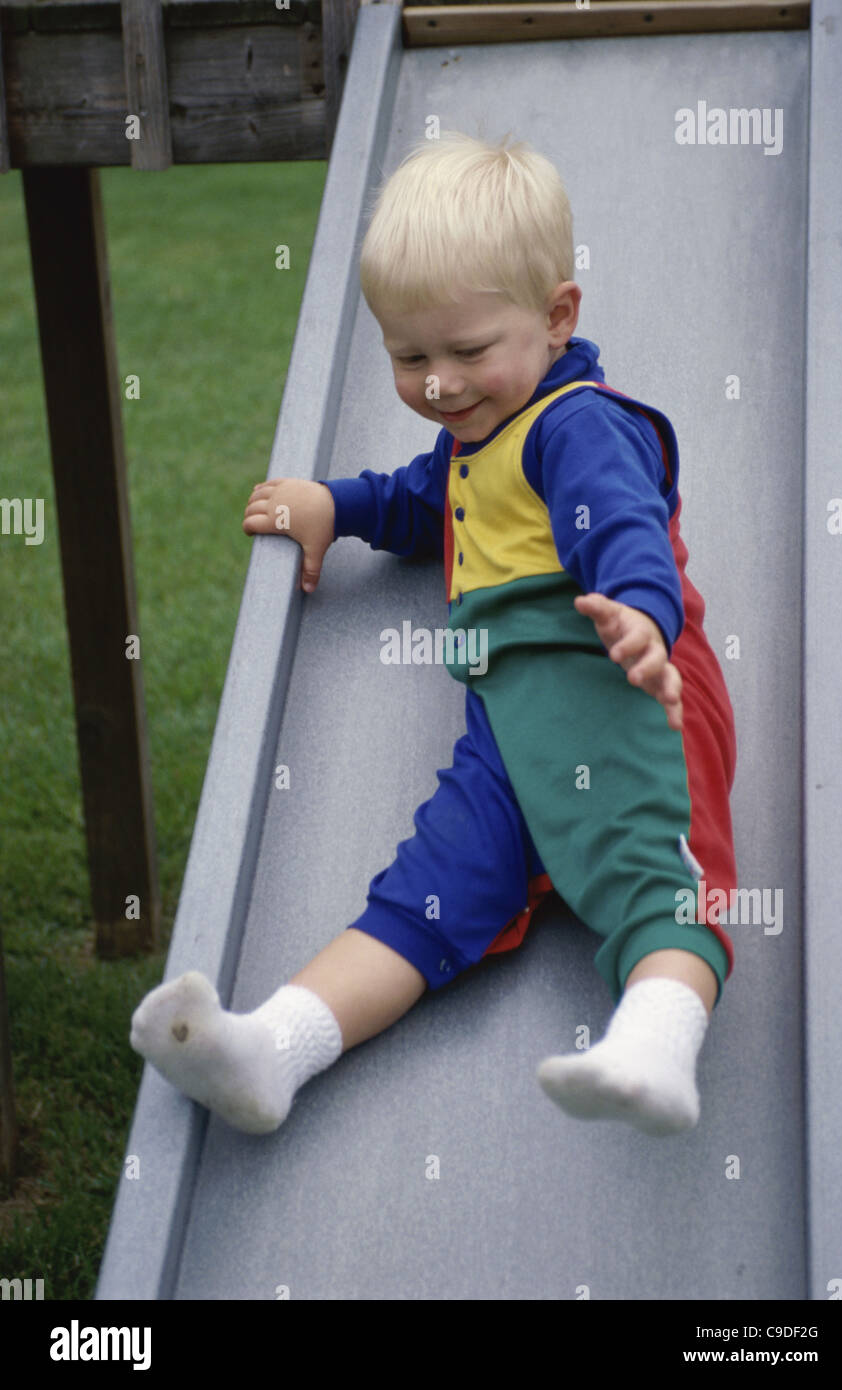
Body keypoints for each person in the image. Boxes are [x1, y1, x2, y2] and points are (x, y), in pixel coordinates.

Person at [130, 130, 738, 1139]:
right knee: (426, 888)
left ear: (555, 317)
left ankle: (656, 1042)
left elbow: (623, 523)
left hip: (621, 688)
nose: (440, 384)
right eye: (408, 356)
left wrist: (642, 613)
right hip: (507, 732)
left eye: (466, 352)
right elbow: (418, 500)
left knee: (653, 877)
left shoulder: (573, 425)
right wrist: (334, 504)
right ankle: (275, 1047)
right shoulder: (474, 438)